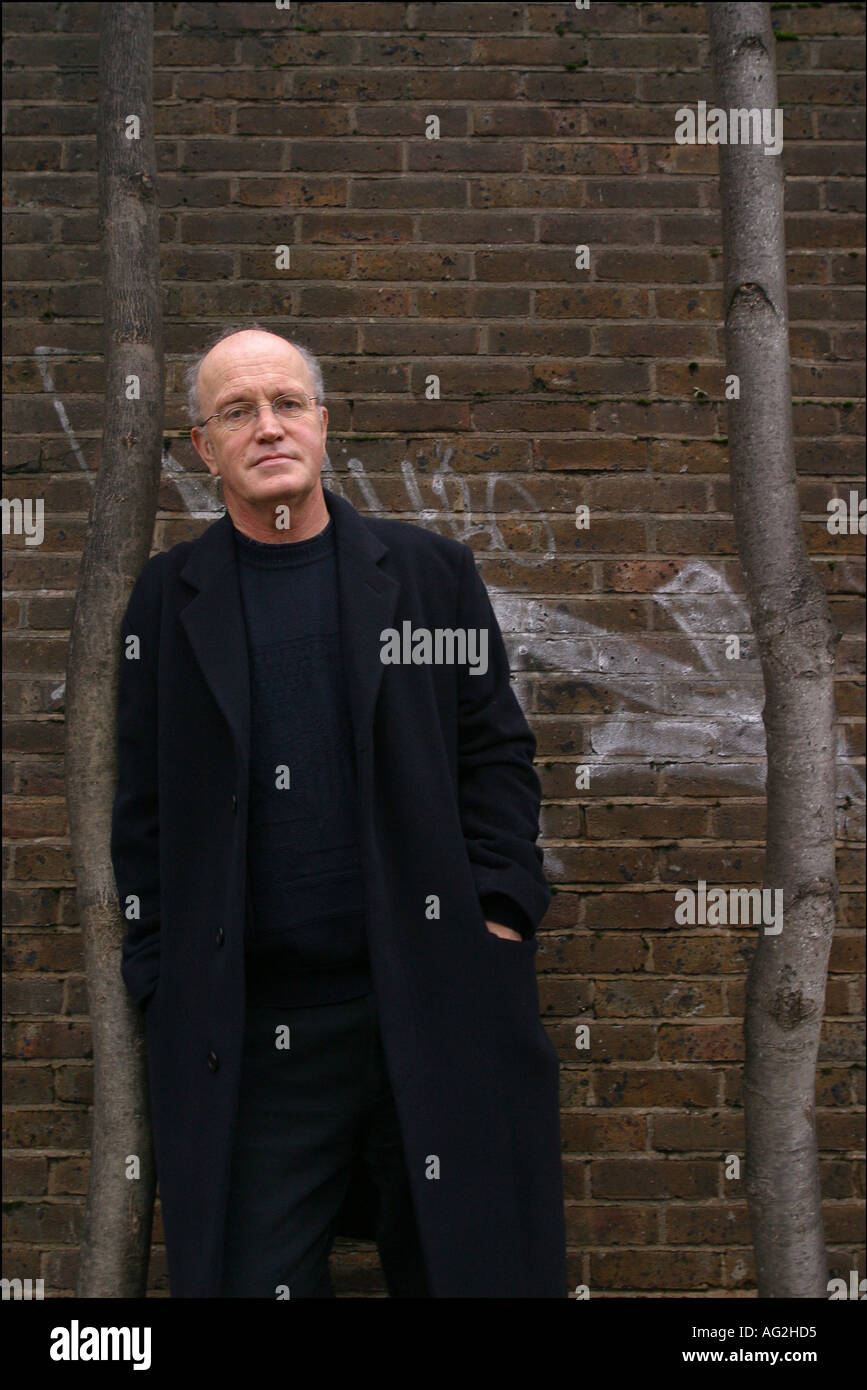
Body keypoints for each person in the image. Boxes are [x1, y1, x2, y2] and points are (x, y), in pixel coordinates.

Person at [112, 324, 568, 1298]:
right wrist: (161, 976)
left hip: (435, 1002)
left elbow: (496, 757)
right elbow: (142, 813)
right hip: (254, 1041)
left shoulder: (427, 576)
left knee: (474, 1274)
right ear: (205, 446)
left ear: (323, 421)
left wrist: (497, 918)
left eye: (287, 403)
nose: (266, 425)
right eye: (237, 411)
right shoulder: (166, 602)